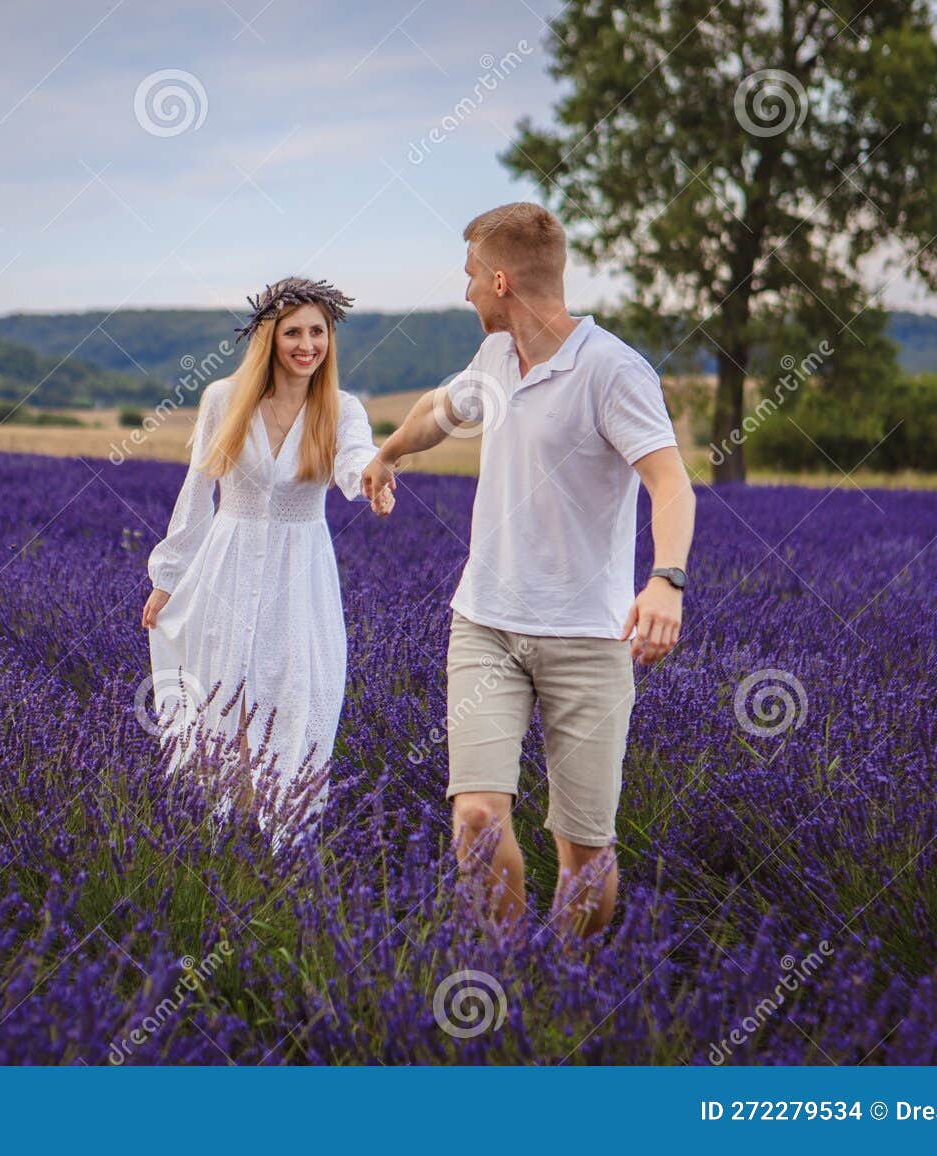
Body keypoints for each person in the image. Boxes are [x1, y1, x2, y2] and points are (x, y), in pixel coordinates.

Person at [362, 203, 695, 941]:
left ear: (503, 280)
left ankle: (569, 985)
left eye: (472, 277)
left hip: (586, 636)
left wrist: (665, 579)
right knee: (476, 817)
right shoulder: (495, 360)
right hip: (485, 625)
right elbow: (438, 410)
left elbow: (670, 483)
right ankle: (508, 976)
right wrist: (388, 454)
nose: (467, 292)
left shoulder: (612, 370)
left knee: (584, 849)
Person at [142, 277, 393, 845]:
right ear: (269, 340)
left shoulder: (342, 408)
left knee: (293, 700)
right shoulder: (222, 401)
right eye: (294, 333)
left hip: (300, 577)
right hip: (224, 570)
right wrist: (168, 577)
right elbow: (197, 490)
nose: (308, 345)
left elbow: (356, 461)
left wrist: (372, 480)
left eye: (318, 332)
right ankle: (220, 846)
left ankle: (280, 848)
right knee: (222, 703)